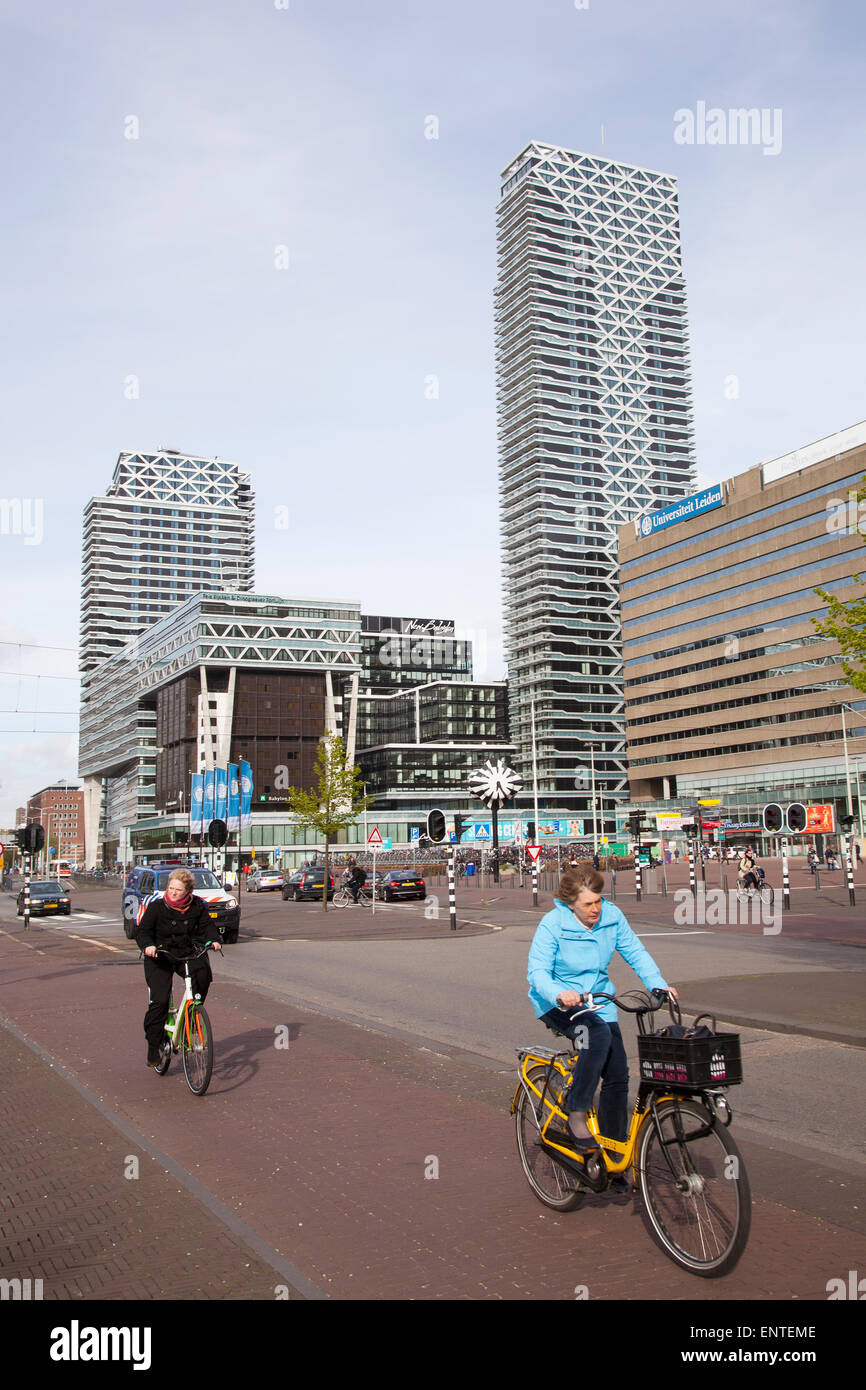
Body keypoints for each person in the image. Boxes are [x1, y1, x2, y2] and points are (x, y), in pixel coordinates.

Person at [527, 866, 678, 1167]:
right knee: (596, 1034)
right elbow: (537, 972)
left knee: (618, 1072)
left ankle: (613, 1152)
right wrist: (558, 993)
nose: (595, 908)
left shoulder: (611, 916)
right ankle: (576, 1111)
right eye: (588, 904)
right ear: (571, 903)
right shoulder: (552, 924)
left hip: (598, 1001)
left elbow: (634, 950)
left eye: (597, 901)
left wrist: (658, 984)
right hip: (559, 1004)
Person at [135, 868, 222, 1067]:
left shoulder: (197, 905)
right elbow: (143, 931)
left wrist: (214, 940)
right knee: (160, 1001)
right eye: (171, 888)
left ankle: (193, 1016)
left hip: (186, 953)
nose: (173, 893)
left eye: (178, 890)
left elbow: (207, 926)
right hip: (159, 955)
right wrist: (147, 946)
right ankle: (153, 1045)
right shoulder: (157, 906)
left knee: (203, 974)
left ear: (188, 891)